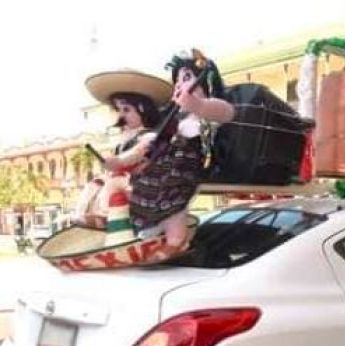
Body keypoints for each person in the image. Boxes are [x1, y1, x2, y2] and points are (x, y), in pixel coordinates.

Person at [129, 49, 235, 259]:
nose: (179, 85)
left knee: (174, 189)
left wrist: (197, 105)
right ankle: (143, 224)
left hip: (192, 166)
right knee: (142, 181)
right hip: (165, 166)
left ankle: (176, 240)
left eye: (186, 78)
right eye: (177, 81)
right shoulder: (174, 121)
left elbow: (223, 111)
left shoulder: (209, 110)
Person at [75, 70, 172, 228]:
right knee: (94, 184)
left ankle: (107, 217)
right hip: (125, 177)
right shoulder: (124, 137)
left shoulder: (148, 136)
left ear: (142, 109)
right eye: (119, 110)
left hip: (144, 181)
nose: (121, 115)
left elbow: (136, 153)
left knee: (114, 184)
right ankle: (82, 213)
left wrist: (118, 161)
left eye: (126, 109)